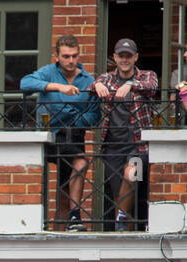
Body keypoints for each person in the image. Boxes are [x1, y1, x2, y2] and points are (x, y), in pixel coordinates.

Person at [20, 35, 100, 230]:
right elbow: (25, 83)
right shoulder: (48, 72)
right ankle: (75, 217)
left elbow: (94, 116)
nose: (71, 61)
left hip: (74, 136)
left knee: (65, 189)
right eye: (65, 56)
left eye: (74, 56)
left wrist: (68, 114)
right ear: (57, 56)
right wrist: (57, 87)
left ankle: (66, 227)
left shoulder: (87, 80)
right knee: (80, 162)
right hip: (50, 136)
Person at [93, 39, 158, 231]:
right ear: (114, 57)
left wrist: (130, 84)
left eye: (128, 56)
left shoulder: (147, 75)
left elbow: (151, 87)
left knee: (132, 175)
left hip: (138, 146)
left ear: (136, 57)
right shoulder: (106, 78)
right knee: (120, 194)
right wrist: (97, 85)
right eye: (121, 56)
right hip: (113, 146)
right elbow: (92, 86)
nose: (124, 60)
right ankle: (122, 233)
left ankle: (121, 223)